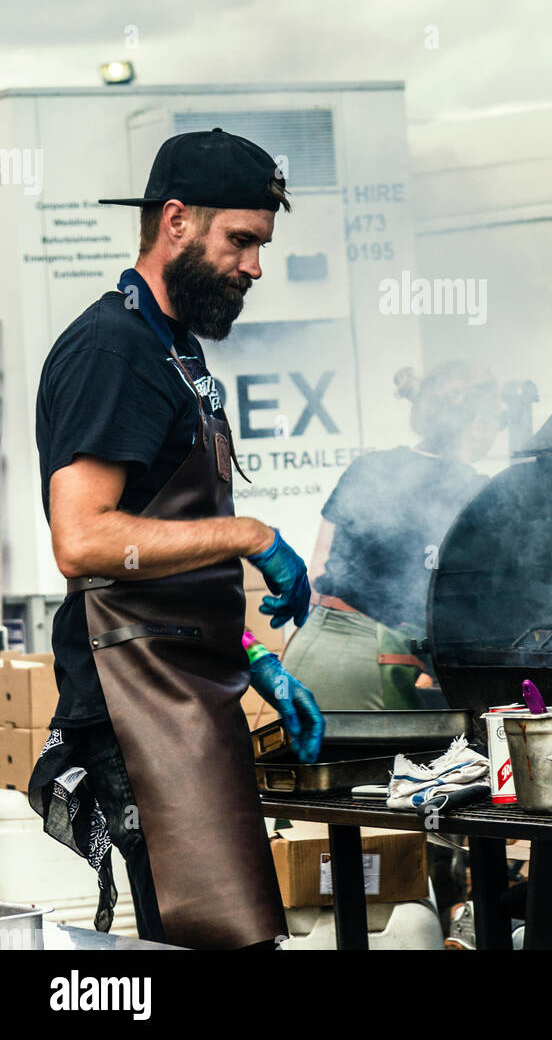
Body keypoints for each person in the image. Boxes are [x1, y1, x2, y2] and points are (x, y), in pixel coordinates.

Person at [27, 128, 324, 951]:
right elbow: (84, 543)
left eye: (261, 245)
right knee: (216, 939)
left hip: (186, 686)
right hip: (137, 703)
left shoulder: (172, 345)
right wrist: (253, 533)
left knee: (218, 937)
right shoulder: (112, 349)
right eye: (242, 241)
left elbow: (158, 552)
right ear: (177, 220)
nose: (254, 267)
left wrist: (249, 655)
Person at [281, 361, 501, 710]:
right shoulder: (473, 492)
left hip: (310, 652)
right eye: (497, 421)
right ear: (477, 424)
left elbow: (317, 567)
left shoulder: (367, 467)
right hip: (372, 666)